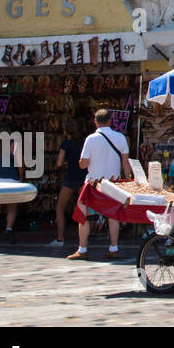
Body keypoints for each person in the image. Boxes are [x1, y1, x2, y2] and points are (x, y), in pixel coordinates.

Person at [68, 109, 132, 260]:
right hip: (114, 183)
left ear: (95, 121)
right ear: (110, 121)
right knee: (113, 215)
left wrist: (82, 161)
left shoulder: (91, 139)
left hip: (93, 183)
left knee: (84, 215)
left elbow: (83, 164)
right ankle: (114, 248)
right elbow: (126, 162)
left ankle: (82, 249)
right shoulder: (120, 138)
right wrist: (129, 180)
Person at [48, 120, 87, 248]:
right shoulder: (83, 142)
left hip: (71, 177)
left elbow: (59, 163)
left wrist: (65, 163)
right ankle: (84, 240)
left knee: (60, 208)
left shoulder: (66, 143)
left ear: (66, 130)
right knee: (83, 208)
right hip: (83, 176)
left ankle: (60, 238)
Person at [0, 132, 24, 246]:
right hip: (12, 180)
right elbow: (20, 165)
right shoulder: (15, 146)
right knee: (12, 207)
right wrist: (21, 178)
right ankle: (8, 228)